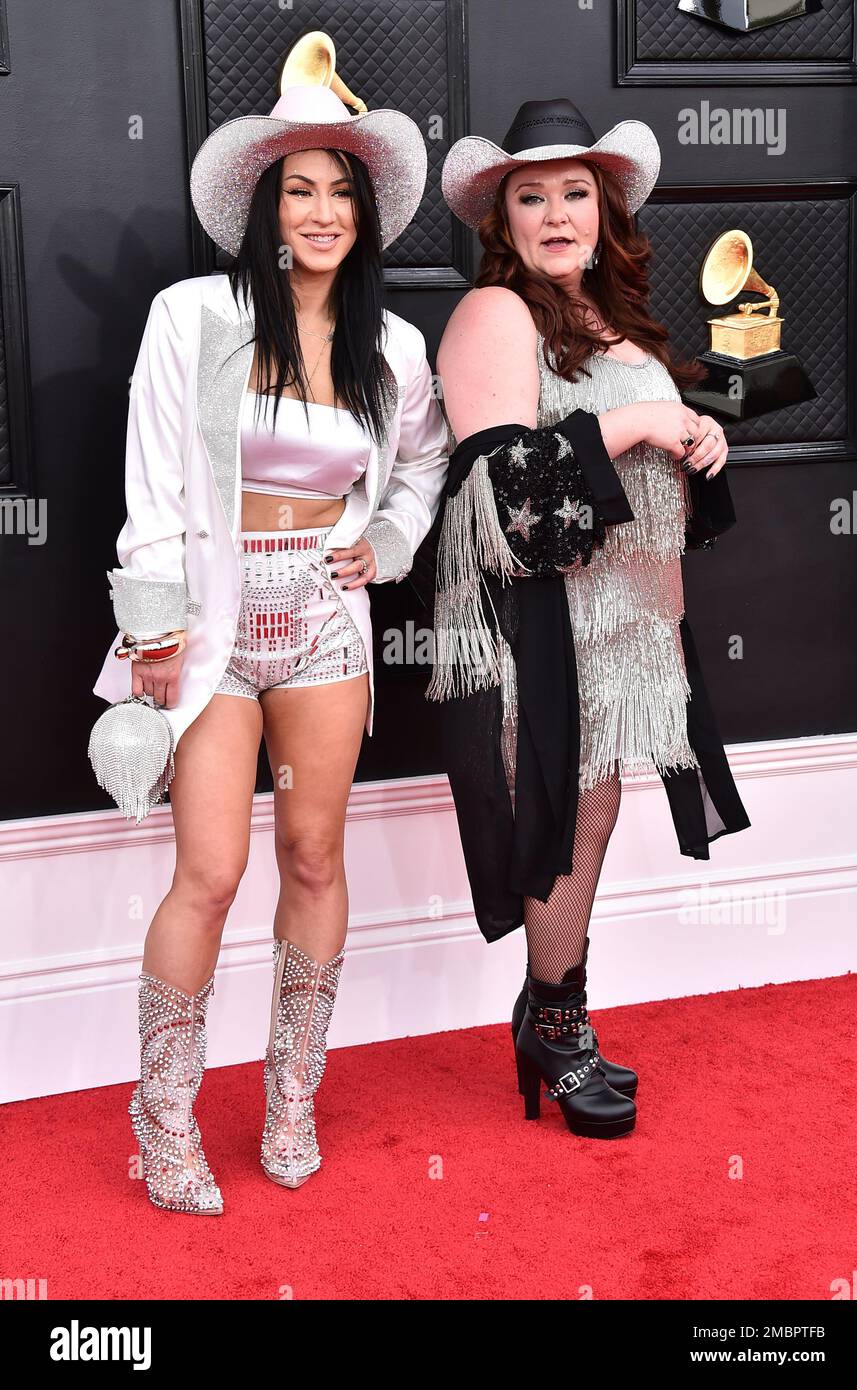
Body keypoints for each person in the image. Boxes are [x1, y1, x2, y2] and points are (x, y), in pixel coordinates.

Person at [91, 33, 448, 1211]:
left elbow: (424, 467)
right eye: (299, 189)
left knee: (311, 854)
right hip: (207, 623)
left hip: (324, 621)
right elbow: (150, 482)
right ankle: (165, 1121)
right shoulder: (190, 316)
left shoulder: (391, 345)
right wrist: (149, 631)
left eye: (340, 192)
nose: (321, 211)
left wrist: (387, 541)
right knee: (211, 867)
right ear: (263, 203)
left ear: (365, 211)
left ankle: (291, 1099)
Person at [426, 98, 750, 1140]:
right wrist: (644, 417)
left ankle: (551, 1007)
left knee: (595, 810)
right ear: (502, 219)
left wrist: (694, 439)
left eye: (576, 194)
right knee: (559, 814)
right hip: (544, 616)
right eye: (533, 197)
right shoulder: (494, 314)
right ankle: (556, 1027)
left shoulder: (616, 319)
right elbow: (502, 491)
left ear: (602, 212)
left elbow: (636, 452)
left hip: (624, 616)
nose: (556, 214)